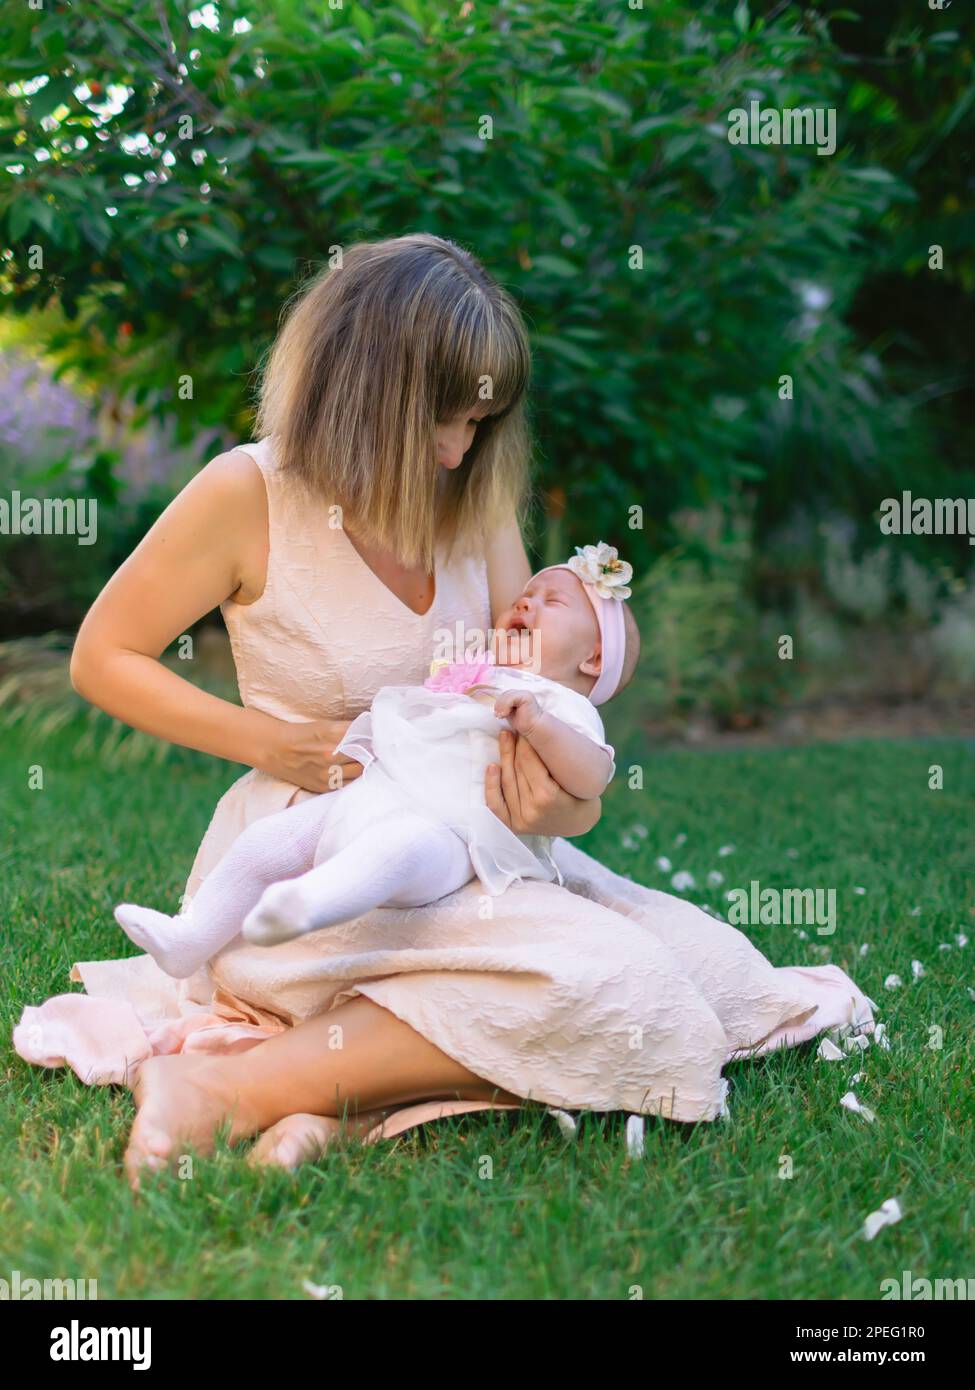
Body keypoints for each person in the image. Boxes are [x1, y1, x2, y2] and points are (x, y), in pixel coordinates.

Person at [13, 233, 874, 1188]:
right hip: (321, 857)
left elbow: (534, 708)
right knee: (618, 984)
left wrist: (562, 810)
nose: (461, 449)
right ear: (364, 388)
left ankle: (337, 1108)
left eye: (481, 421)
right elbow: (103, 657)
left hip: (472, 854)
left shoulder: (473, 500)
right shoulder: (248, 492)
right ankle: (229, 1092)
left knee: (712, 980)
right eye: (445, 420)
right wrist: (272, 743)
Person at [112, 552, 639, 975]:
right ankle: (189, 938)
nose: (526, 602)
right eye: (525, 596)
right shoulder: (485, 669)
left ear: (592, 659)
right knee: (267, 842)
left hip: (453, 834)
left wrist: (539, 724)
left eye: (552, 602)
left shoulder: (566, 708)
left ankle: (304, 906)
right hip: (376, 793)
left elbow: (592, 777)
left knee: (396, 853)